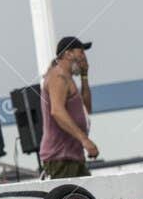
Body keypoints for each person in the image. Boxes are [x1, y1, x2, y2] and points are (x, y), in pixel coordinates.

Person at [38, 35, 99, 179]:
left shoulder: (68, 78)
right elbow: (57, 111)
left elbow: (87, 110)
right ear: (68, 54)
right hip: (60, 158)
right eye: (81, 52)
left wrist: (84, 76)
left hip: (72, 157)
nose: (84, 57)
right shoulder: (58, 77)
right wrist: (84, 140)